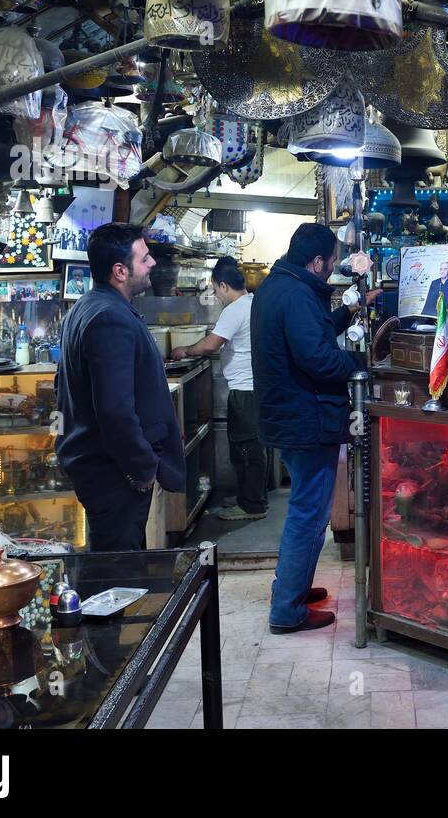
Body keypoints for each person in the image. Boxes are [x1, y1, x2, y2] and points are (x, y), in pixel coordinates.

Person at [252, 223, 377, 633]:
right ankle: (286, 609)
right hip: (306, 419)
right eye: (331, 262)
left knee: (304, 511)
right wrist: (361, 368)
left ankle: (294, 589)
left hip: (290, 418)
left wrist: (348, 312)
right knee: (308, 515)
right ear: (317, 260)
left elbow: (310, 336)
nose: (332, 270)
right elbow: (319, 359)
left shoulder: (281, 287)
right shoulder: (297, 295)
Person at [55, 223, 184, 551]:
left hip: (105, 468)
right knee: (116, 576)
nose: (153, 263)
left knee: (119, 569)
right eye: (144, 259)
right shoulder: (109, 318)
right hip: (113, 474)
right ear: (120, 271)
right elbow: (114, 410)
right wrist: (142, 469)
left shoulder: (89, 307)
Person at [170, 256, 265, 521]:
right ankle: (252, 497)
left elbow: (211, 345)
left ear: (224, 286)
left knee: (246, 449)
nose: (216, 295)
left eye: (215, 289)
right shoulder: (253, 303)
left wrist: (185, 350)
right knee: (252, 448)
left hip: (244, 390)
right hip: (254, 387)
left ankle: (251, 506)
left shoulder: (234, 310)